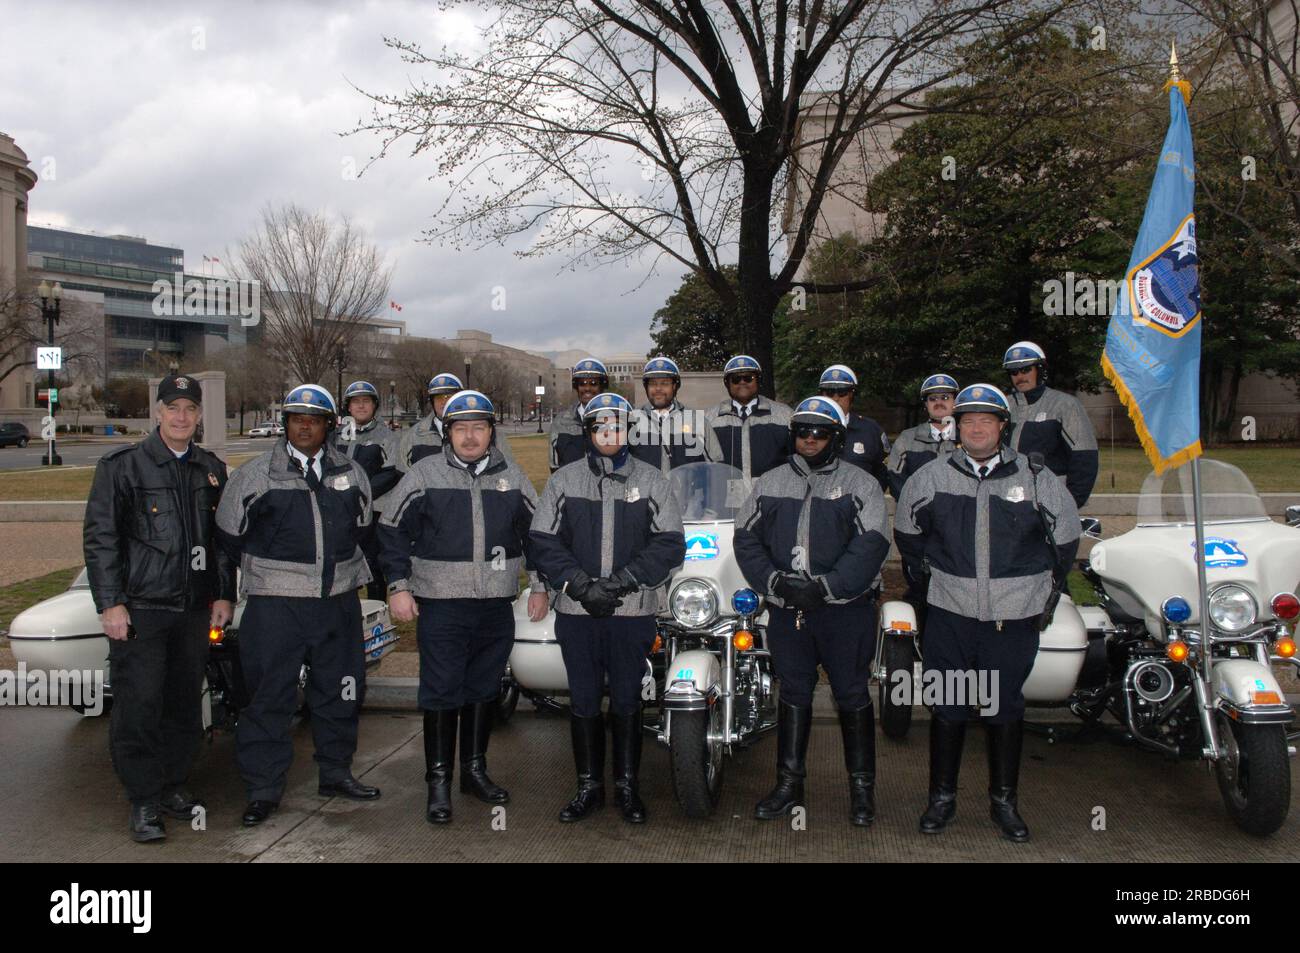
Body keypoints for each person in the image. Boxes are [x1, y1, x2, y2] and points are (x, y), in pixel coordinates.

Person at [894, 383, 1079, 842]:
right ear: (956, 428)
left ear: (1003, 427)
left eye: (987, 421)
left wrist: (1035, 590)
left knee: (1002, 708)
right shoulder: (932, 477)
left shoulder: (1036, 478)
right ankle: (941, 799)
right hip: (950, 615)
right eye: (968, 421)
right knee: (949, 707)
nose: (977, 428)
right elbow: (909, 535)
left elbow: (1067, 539)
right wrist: (935, 583)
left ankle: (1004, 803)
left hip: (1010, 619)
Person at [379, 390, 549, 824]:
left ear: (492, 432)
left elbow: (537, 536)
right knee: (440, 691)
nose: (470, 437)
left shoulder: (511, 476)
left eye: (478, 428)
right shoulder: (423, 474)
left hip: (494, 604)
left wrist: (540, 585)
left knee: (483, 689)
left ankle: (473, 770)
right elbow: (392, 532)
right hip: (442, 604)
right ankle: (438, 780)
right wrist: (398, 586)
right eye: (461, 428)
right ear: (447, 432)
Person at [216, 384, 381, 827]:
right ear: (285, 422)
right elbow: (230, 537)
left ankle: (336, 772)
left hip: (337, 603)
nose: (304, 425)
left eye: (314, 419)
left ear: (330, 425)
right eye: (295, 418)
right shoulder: (253, 476)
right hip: (276, 607)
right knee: (269, 698)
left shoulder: (353, 474)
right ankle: (263, 789)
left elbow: (363, 531)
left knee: (341, 692)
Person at [83, 374, 236, 843]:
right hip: (142, 609)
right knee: (139, 705)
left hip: (191, 609)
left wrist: (223, 594)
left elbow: (222, 542)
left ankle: (173, 785)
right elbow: (101, 540)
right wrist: (111, 603)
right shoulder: (122, 467)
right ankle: (143, 799)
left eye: (190, 408)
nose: (182, 416)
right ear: (157, 412)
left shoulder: (210, 469)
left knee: (183, 704)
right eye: (174, 408)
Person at [733, 396, 890, 826]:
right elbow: (746, 539)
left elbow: (872, 543)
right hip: (788, 611)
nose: (809, 439)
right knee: (795, 693)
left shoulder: (862, 485)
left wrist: (825, 587)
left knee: (852, 695)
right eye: (802, 431)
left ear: (836, 438)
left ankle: (862, 790)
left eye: (819, 432)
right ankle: (788, 784)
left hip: (844, 611)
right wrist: (776, 583)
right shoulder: (770, 482)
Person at [530, 392, 685, 824]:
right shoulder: (564, 481)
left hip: (631, 611)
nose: (609, 434)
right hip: (578, 613)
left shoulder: (654, 480)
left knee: (626, 700)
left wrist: (618, 583)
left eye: (617, 426)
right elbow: (543, 540)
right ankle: (588, 787)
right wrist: (580, 585)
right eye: (600, 426)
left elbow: (670, 543)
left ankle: (627, 787)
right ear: (589, 432)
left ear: (628, 431)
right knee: (583, 700)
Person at [1002, 341, 1099, 508]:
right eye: (1014, 372)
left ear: (1040, 370)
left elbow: (1085, 458)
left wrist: (1071, 504)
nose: (1020, 376)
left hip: (1051, 502)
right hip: (1007, 501)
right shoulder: (1003, 407)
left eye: (1026, 369)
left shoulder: (1065, 405)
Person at [332, 380, 400, 600]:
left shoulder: (387, 436)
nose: (361, 406)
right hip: (340, 511)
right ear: (348, 407)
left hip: (373, 511)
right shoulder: (336, 435)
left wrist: (360, 494)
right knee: (341, 563)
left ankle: (377, 609)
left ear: (374, 406)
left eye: (366, 401)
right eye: (356, 402)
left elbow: (392, 473)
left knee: (373, 565)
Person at [398, 372, 515, 472]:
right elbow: (403, 473)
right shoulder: (414, 435)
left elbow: (506, 468)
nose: (444, 402)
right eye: (439, 398)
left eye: (449, 396)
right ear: (432, 402)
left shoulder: (493, 435)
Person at [705, 355, 792, 480]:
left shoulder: (785, 415)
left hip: (771, 496)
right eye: (735, 379)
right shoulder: (709, 418)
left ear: (759, 380)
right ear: (727, 384)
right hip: (727, 497)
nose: (742, 382)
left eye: (748, 378)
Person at [628, 356, 719, 473]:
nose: (658, 389)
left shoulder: (697, 421)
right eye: (652, 383)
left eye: (665, 383)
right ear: (646, 387)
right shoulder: (632, 421)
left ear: (675, 386)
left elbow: (716, 465)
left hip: (687, 491)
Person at [885, 373, 960, 501]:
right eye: (933, 399)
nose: (939, 402)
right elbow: (895, 480)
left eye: (945, 397)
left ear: (955, 402)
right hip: (917, 516)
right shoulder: (907, 439)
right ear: (925, 404)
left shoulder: (968, 438)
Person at [816, 364, 890, 491]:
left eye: (842, 392)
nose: (835, 398)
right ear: (821, 395)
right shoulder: (806, 430)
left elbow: (881, 472)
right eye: (829, 392)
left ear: (852, 395)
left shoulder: (870, 429)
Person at [549, 358, 608, 472]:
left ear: (602, 386)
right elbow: (554, 466)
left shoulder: (614, 419)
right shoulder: (560, 422)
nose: (587, 388)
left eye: (593, 383)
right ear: (576, 387)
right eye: (582, 384)